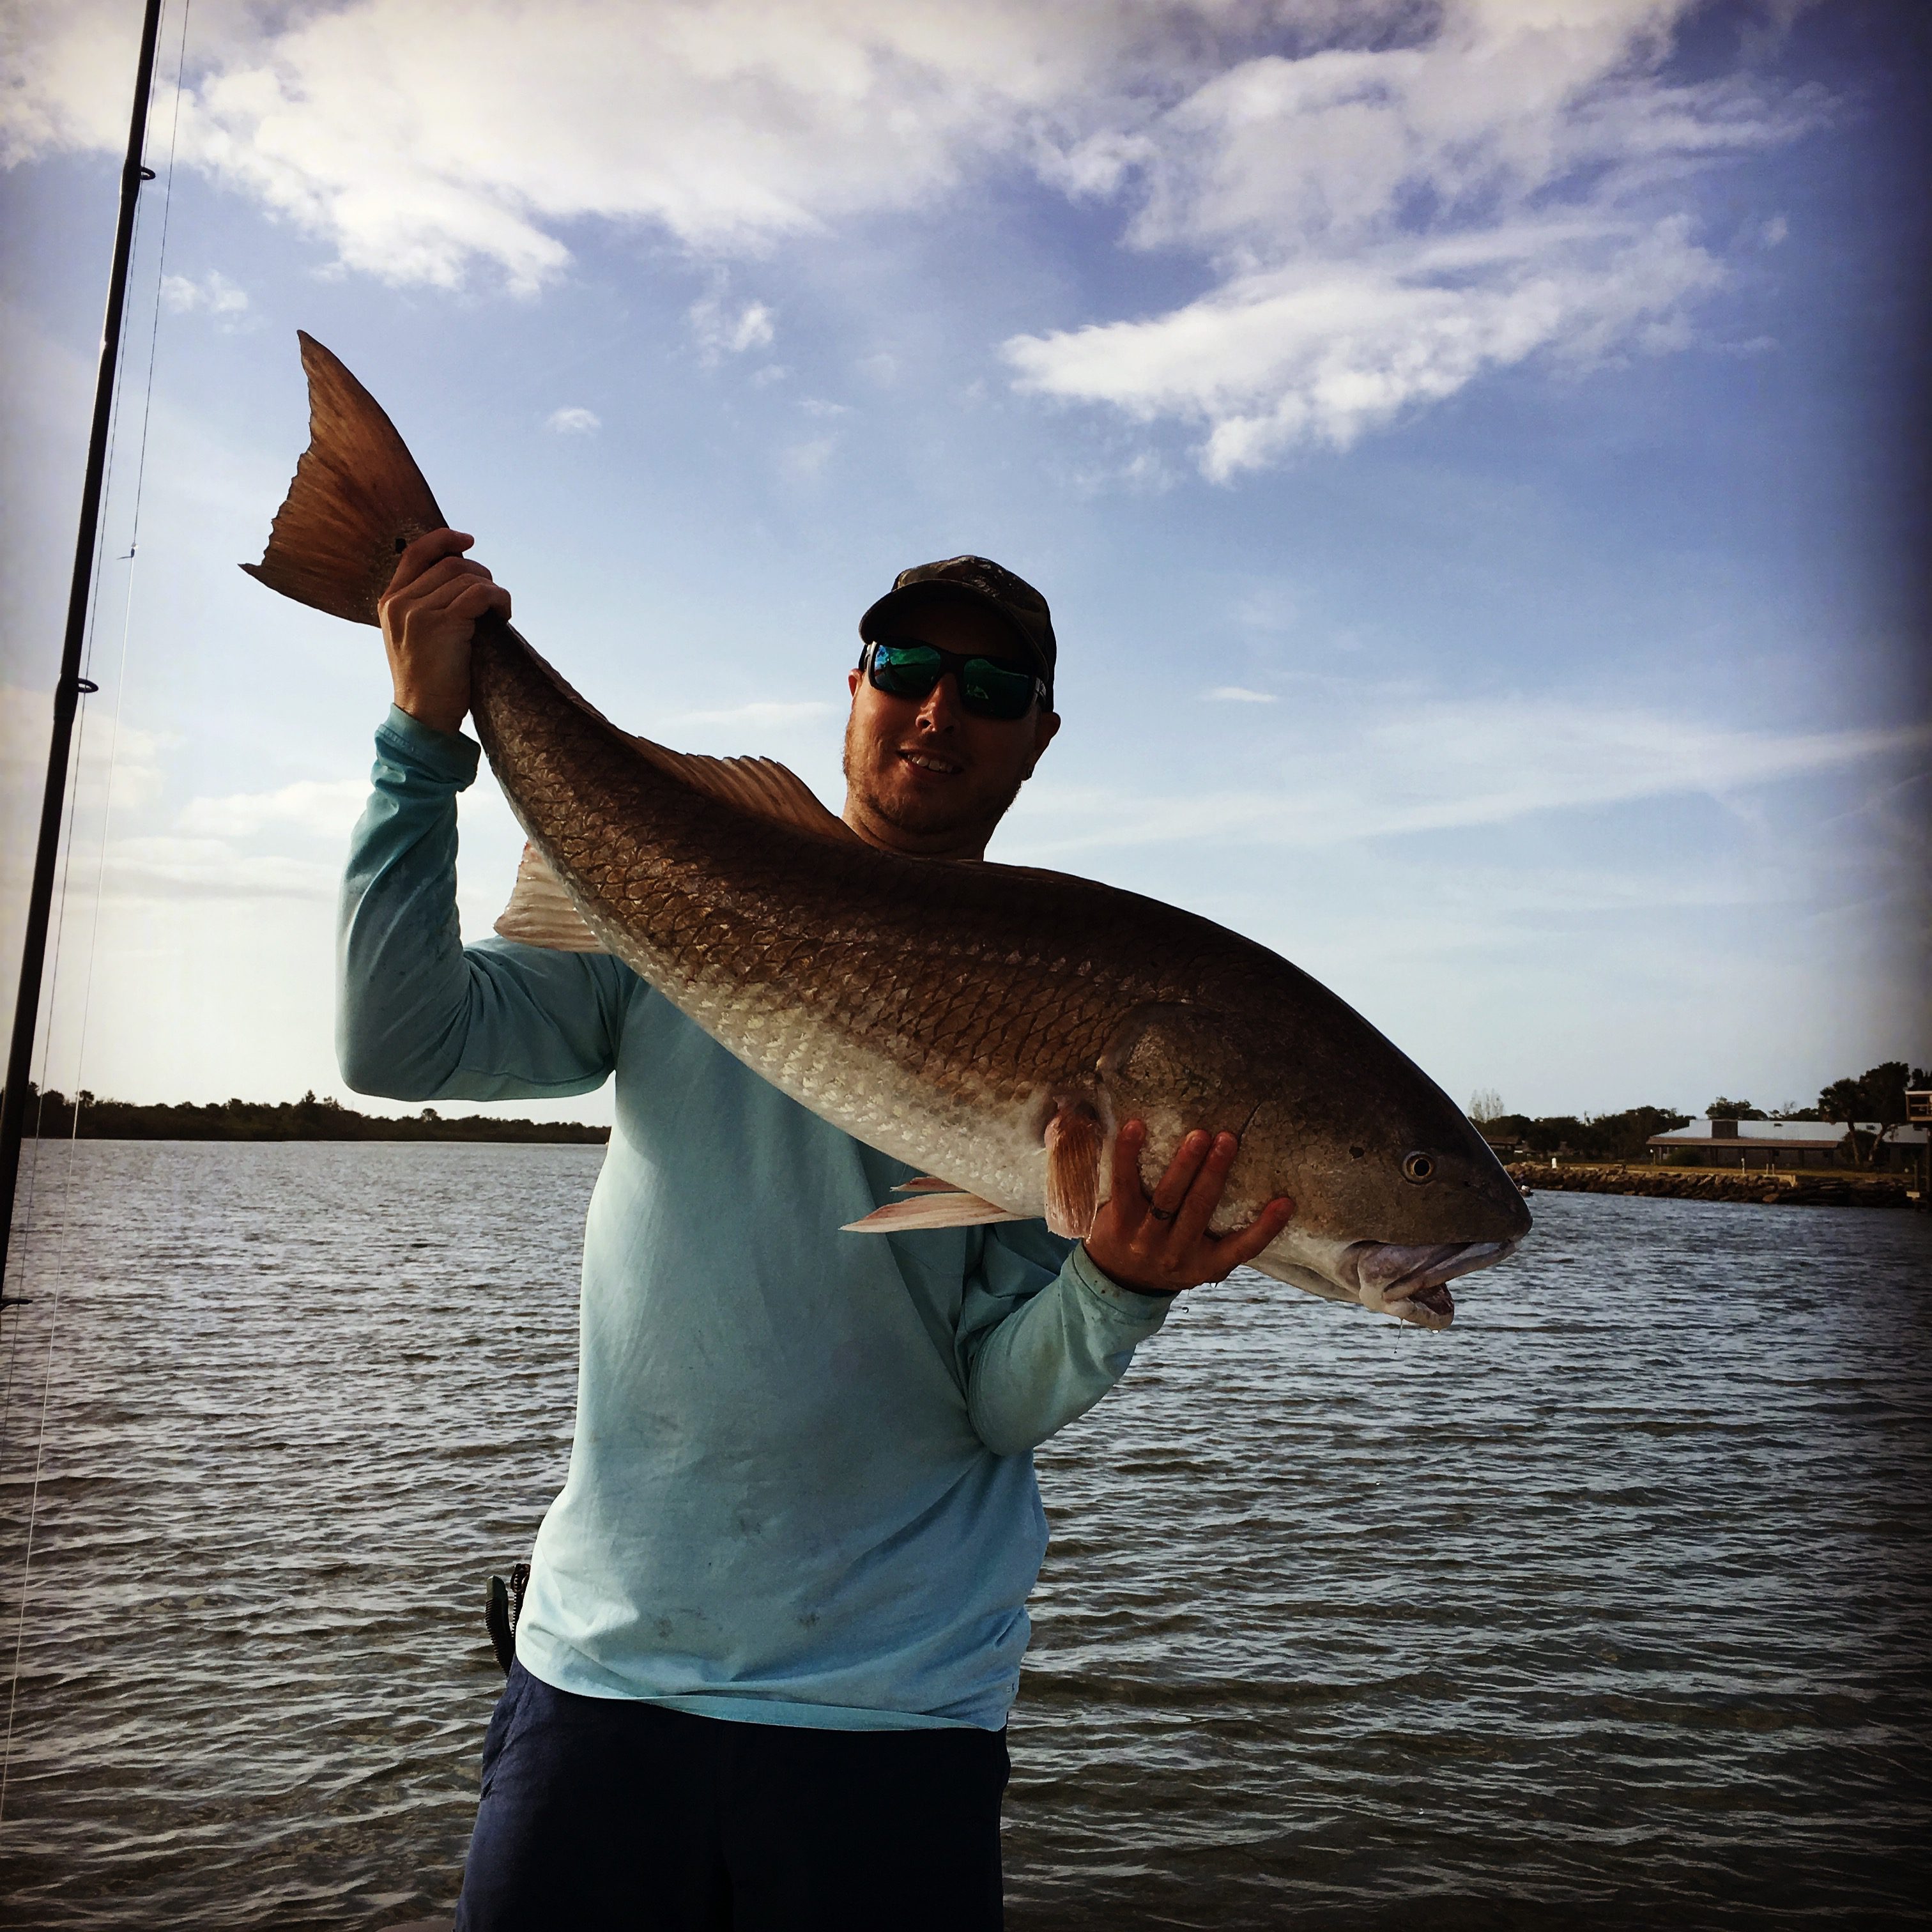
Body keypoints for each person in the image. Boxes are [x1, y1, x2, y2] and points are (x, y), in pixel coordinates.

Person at [342, 532, 1293, 1931]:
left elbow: (992, 1397)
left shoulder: (1096, 1011)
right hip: (602, 1679)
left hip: (891, 1721)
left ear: (1040, 735)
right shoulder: (682, 897)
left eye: (988, 687)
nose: (936, 709)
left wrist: (1114, 1287)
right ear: (852, 685)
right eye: (906, 668)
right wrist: (424, 739)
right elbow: (401, 1040)